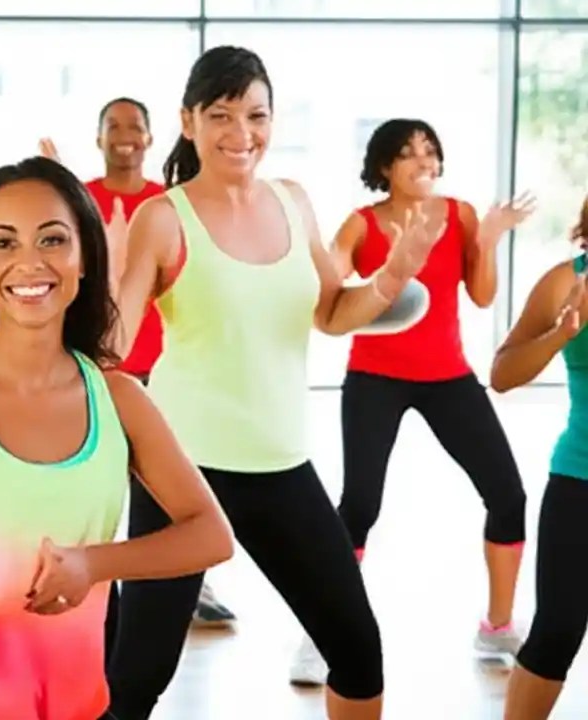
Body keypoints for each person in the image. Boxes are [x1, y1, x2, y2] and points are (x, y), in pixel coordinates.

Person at [107, 46, 442, 720]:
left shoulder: (294, 201)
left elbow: (331, 312)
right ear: (189, 121)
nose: (241, 133)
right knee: (138, 679)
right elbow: (111, 348)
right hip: (181, 472)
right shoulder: (164, 218)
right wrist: (107, 275)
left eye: (256, 116)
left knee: (358, 652)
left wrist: (392, 275)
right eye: (221, 115)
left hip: (281, 464)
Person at [0, 156, 233, 720]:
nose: (30, 262)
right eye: (3, 243)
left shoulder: (120, 400)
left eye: (53, 239)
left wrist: (93, 564)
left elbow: (211, 535)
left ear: (84, 258)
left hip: (78, 707)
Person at [294, 118, 536, 684]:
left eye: (430, 150)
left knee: (508, 495)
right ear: (385, 167)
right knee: (360, 507)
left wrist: (489, 240)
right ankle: (324, 635)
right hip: (375, 377)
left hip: (448, 375)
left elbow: (482, 296)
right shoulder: (361, 223)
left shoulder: (461, 215)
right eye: (408, 153)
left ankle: (497, 628)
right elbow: (326, 287)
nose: (423, 160)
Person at [41, 96, 237, 644]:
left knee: (169, 494)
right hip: (98, 372)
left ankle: (186, 586)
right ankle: (87, 592)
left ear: (151, 138)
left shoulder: (168, 206)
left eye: (135, 126)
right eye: (114, 125)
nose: (125, 135)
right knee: (95, 495)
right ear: (98, 137)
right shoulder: (79, 200)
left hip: (164, 375)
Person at [492, 194, 588, 720]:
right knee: (556, 631)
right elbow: (503, 374)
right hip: (580, 480)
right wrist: (560, 335)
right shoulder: (564, 282)